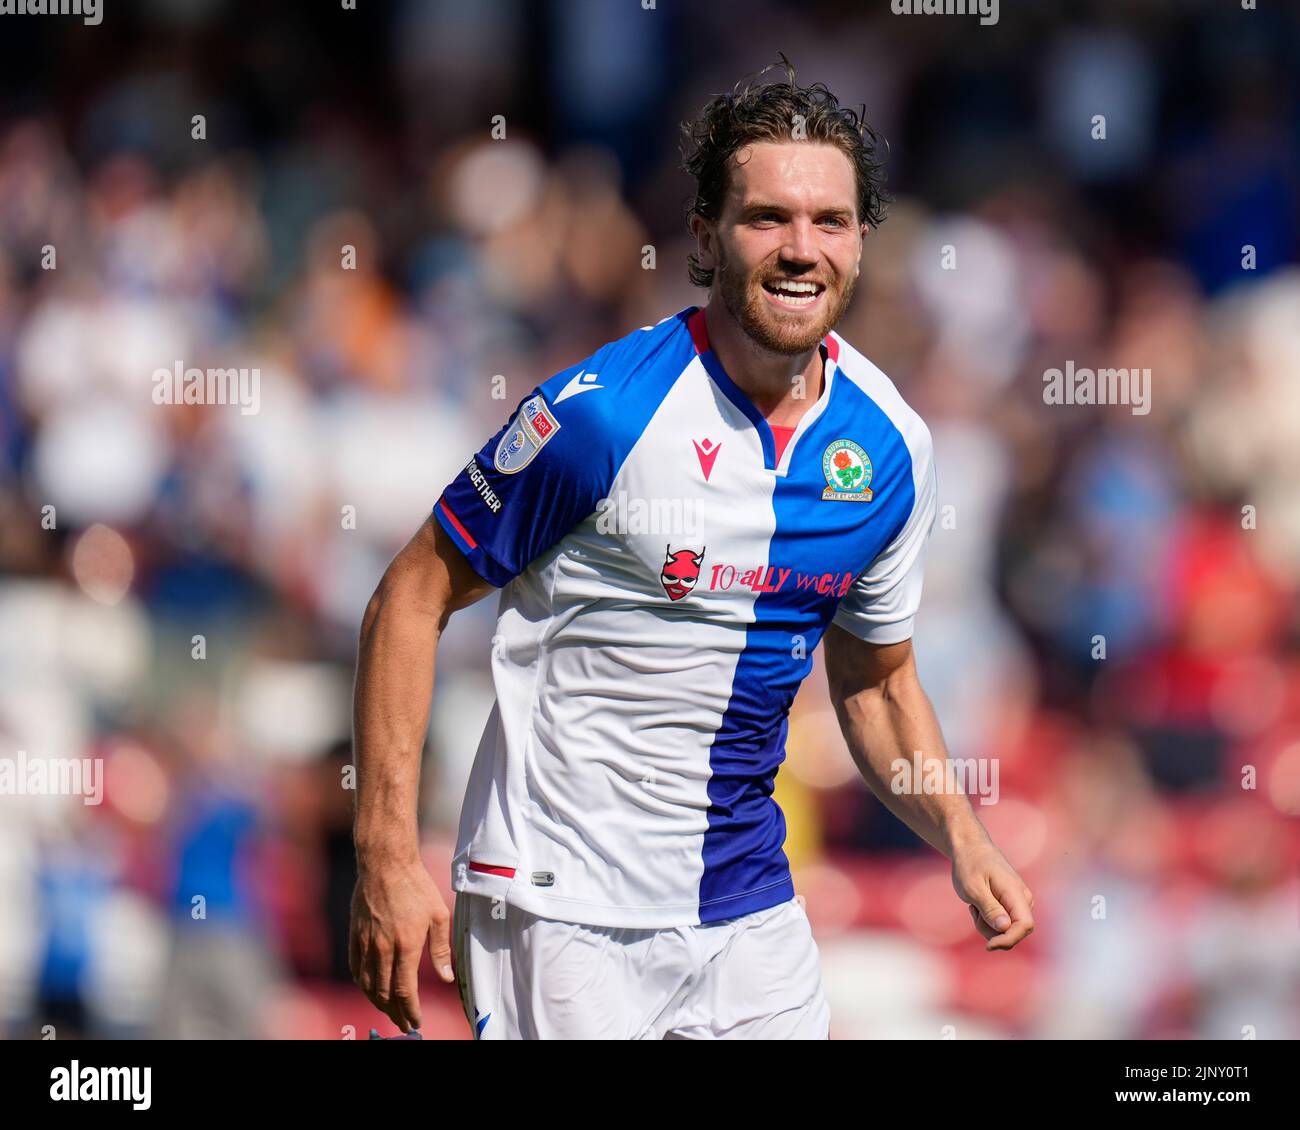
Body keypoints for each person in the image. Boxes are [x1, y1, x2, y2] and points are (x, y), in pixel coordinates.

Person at [349, 57, 1034, 1040]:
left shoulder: (890, 447)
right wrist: (385, 849)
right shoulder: (603, 417)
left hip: (749, 905)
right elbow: (407, 599)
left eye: (829, 222)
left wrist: (962, 835)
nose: (801, 248)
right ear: (707, 239)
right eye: (767, 218)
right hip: (559, 908)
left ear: (860, 243)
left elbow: (877, 685)